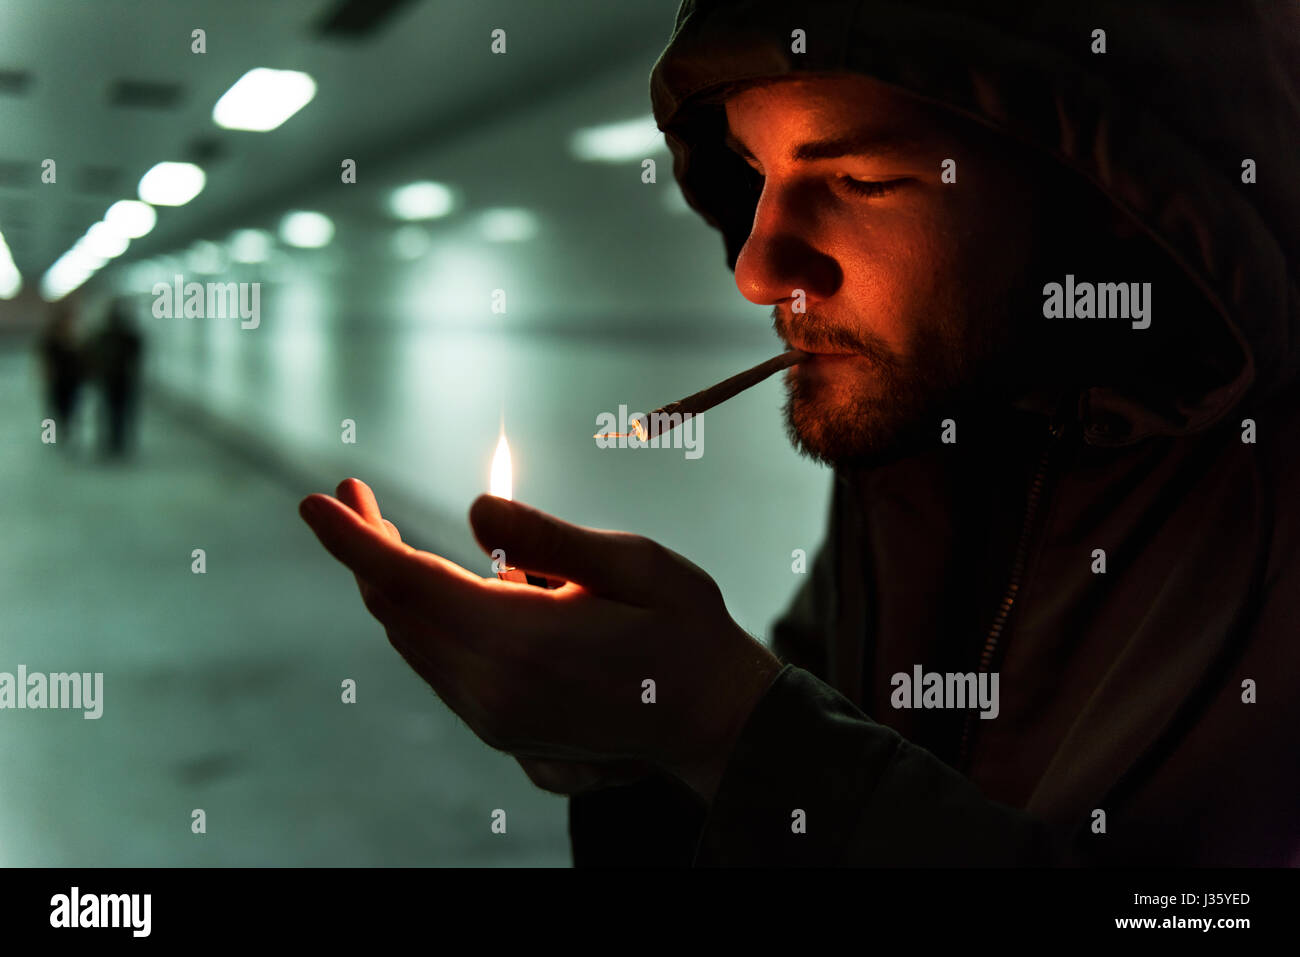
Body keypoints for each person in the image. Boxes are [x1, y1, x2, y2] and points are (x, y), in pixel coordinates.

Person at [299, 0, 1300, 866]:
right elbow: (817, 735)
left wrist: (723, 728)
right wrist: (632, 741)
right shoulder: (916, 445)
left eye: (859, 181)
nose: (755, 269)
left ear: (1117, 198)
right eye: (754, 172)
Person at [89, 300, 144, 459]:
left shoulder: (104, 335)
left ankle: (112, 440)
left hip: (112, 380)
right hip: (119, 380)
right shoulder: (127, 336)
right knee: (118, 411)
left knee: (111, 411)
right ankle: (116, 440)